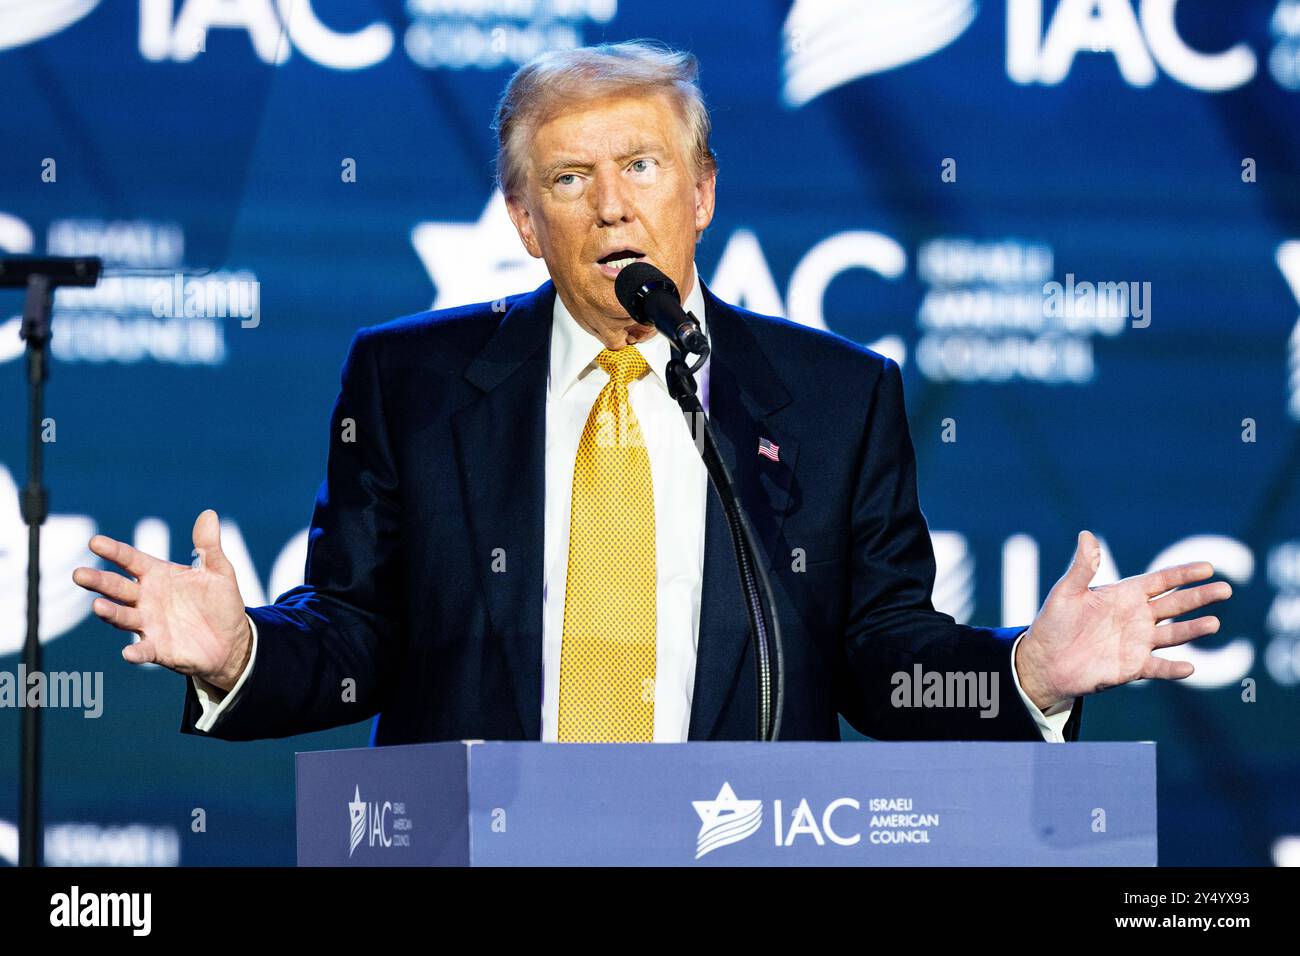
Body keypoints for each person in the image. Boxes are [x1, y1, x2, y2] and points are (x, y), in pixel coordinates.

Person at [72, 40, 1230, 745]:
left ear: (703, 191)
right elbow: (359, 638)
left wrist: (1025, 671)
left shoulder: (835, 398)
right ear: (525, 223)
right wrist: (238, 654)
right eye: (569, 179)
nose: (611, 206)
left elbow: (880, 663)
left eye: (641, 167)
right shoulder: (411, 381)